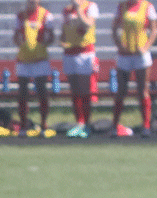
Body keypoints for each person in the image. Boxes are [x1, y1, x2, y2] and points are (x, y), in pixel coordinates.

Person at [110, 0, 157, 135]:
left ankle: (146, 126)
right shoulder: (122, 7)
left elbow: (154, 30)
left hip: (140, 54)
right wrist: (119, 45)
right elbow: (114, 28)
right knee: (121, 90)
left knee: (143, 90)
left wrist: (145, 47)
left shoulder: (147, 6)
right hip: (125, 54)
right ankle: (115, 125)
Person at [14, 0, 57, 136]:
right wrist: (21, 44)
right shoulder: (20, 16)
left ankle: (43, 123)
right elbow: (16, 36)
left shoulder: (46, 15)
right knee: (22, 93)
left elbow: (51, 37)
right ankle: (23, 124)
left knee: (42, 91)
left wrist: (42, 44)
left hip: (40, 60)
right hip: (24, 60)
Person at [62, 0, 99, 135]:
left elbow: (88, 24)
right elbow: (64, 30)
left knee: (84, 91)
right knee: (75, 92)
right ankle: (79, 123)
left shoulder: (90, 6)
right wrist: (62, 41)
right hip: (70, 53)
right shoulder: (66, 10)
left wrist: (78, 10)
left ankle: (86, 124)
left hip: (85, 52)